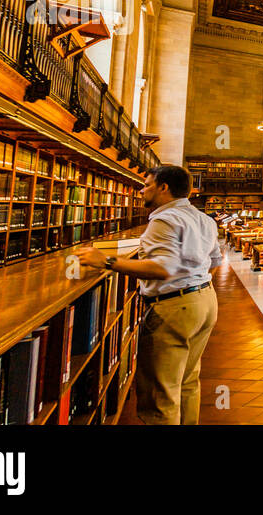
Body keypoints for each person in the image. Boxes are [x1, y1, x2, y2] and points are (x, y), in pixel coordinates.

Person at [73, 165, 220, 425]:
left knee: (161, 394)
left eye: (147, 184)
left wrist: (105, 261)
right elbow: (215, 261)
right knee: (187, 382)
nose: (142, 190)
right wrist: (194, 281)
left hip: (175, 307)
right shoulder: (204, 219)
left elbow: (162, 268)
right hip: (205, 301)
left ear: (163, 187)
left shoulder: (164, 219)